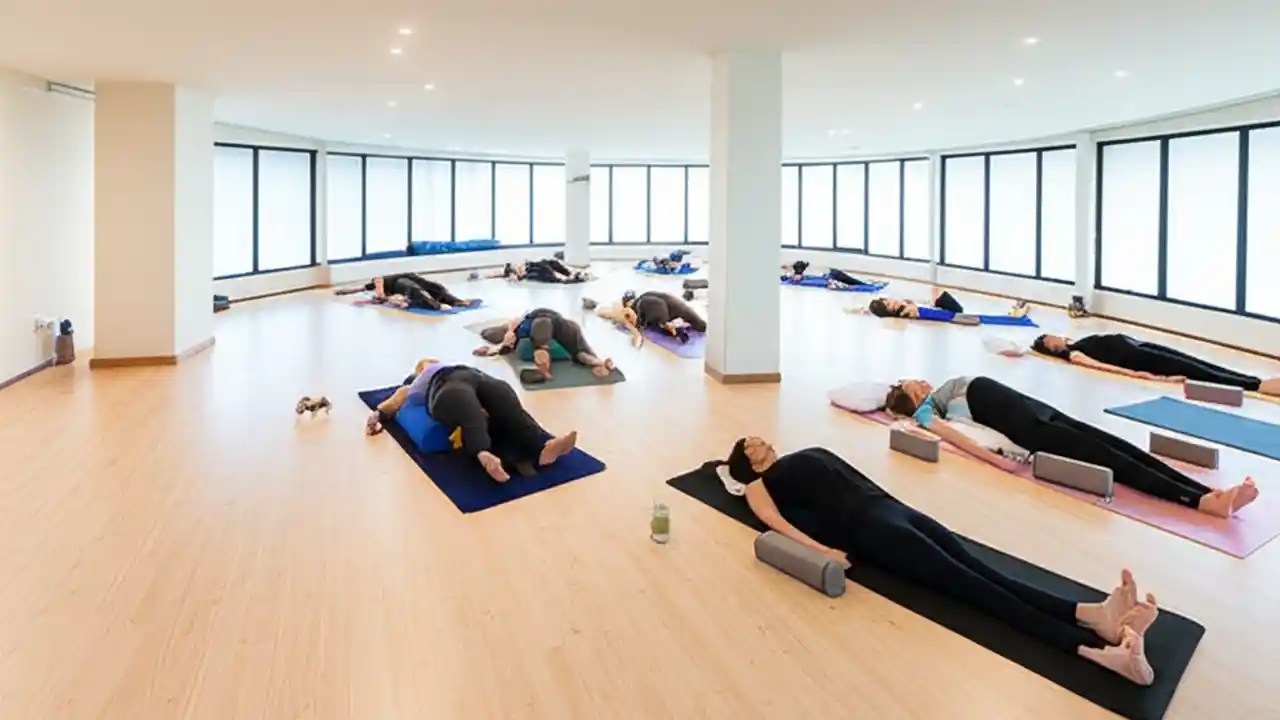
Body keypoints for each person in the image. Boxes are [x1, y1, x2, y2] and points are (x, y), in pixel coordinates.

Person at [724, 438, 1160, 685]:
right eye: (750, 444)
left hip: (893, 509)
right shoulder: (760, 484)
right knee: (976, 590)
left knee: (984, 570)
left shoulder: (800, 454)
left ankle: (1090, 615)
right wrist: (823, 552)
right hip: (873, 532)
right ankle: (1098, 652)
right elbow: (772, 520)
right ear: (748, 462)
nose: (760, 440)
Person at [882, 376, 1260, 518]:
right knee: (1109, 458)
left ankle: (1207, 491)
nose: (921, 381)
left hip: (1035, 408)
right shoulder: (928, 411)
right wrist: (997, 461)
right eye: (914, 385)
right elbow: (956, 437)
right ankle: (1200, 502)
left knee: (1115, 443)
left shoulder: (944, 392)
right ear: (912, 397)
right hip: (1030, 428)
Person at [365, 359, 578, 482]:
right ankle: (483, 453)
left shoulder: (454, 364)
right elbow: (393, 402)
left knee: (506, 400)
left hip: (476, 377)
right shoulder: (413, 385)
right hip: (444, 386)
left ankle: (544, 447)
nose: (431, 361)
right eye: (425, 363)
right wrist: (377, 415)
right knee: (467, 409)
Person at [1031, 333, 1280, 396]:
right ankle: (1256, 386)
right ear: (1050, 347)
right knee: (1195, 370)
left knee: (1194, 361)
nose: (1053, 337)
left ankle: (1254, 380)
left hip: (1137, 345)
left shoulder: (1073, 342)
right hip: (1137, 358)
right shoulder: (1075, 355)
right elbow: (1112, 368)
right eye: (1048, 340)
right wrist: (1157, 378)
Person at [473, 308, 615, 382]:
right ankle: (598, 362)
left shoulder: (514, 329)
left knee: (541, 347)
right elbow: (498, 349)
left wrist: (508, 334)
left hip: (541, 319)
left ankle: (545, 371)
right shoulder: (515, 339)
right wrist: (494, 349)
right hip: (559, 324)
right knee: (578, 353)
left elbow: (513, 323)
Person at [617, 290, 707, 345]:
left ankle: (677, 329)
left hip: (664, 309)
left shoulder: (638, 304)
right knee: (692, 317)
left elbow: (658, 305)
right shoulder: (643, 297)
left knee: (659, 326)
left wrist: (664, 322)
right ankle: (695, 326)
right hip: (672, 304)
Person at [366, 273, 476, 311]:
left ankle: (454, 301)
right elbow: (378, 293)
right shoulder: (379, 283)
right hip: (403, 281)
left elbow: (380, 291)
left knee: (434, 287)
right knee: (416, 290)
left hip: (404, 279)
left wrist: (383, 297)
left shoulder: (380, 280)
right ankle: (437, 305)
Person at [867, 290, 966, 320]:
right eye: (889, 303)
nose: (892, 301)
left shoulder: (903, 306)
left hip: (947, 312)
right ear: (889, 310)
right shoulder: (905, 311)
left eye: (888, 300)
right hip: (952, 314)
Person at [782, 261, 874, 289]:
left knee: (853, 283)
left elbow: (796, 276)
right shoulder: (809, 268)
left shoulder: (802, 272)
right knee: (854, 281)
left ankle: (868, 285)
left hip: (834, 275)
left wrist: (789, 274)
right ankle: (867, 284)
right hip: (834, 272)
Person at [499, 258, 590, 284]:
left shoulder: (527, 265)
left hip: (541, 266)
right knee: (544, 271)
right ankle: (571, 277)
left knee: (549, 264)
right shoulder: (527, 273)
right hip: (538, 271)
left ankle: (571, 275)